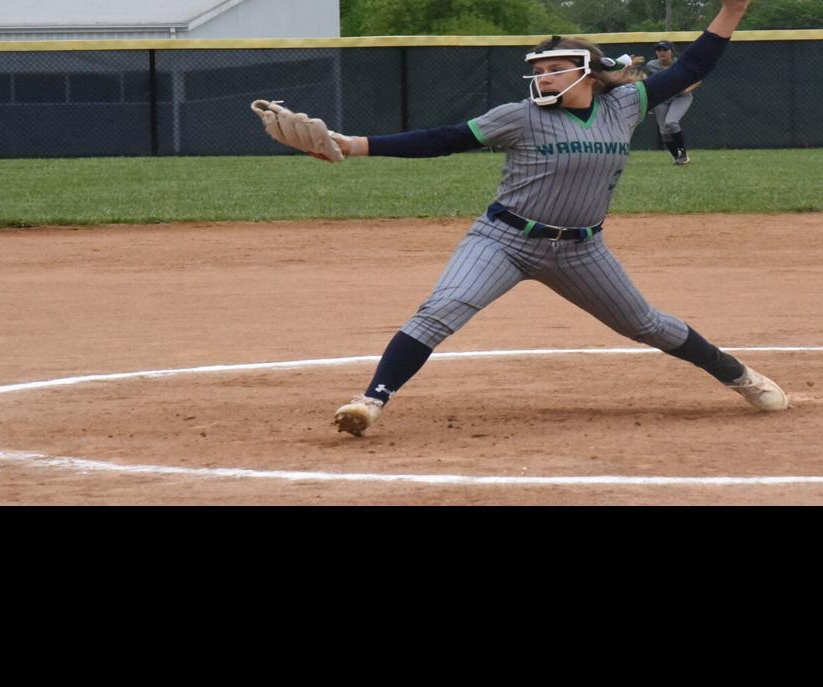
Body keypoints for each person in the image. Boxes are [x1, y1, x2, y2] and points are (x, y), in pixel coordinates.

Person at [252, 0, 784, 437]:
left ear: (589, 73)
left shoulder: (624, 104)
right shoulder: (519, 116)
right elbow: (444, 139)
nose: (544, 76)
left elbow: (693, 67)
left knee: (646, 324)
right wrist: (353, 145)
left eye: (555, 68)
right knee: (442, 309)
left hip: (582, 250)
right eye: (538, 69)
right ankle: (370, 401)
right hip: (503, 240)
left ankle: (738, 375)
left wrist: (732, 10)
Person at [643, 40, 699, 165]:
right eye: (659, 50)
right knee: (664, 131)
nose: (662, 53)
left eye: (665, 50)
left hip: (680, 97)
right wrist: (650, 102)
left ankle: (683, 154)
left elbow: (698, 79)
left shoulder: (681, 63)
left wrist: (686, 90)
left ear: (672, 52)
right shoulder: (651, 65)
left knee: (671, 123)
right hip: (662, 99)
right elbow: (645, 83)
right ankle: (677, 158)